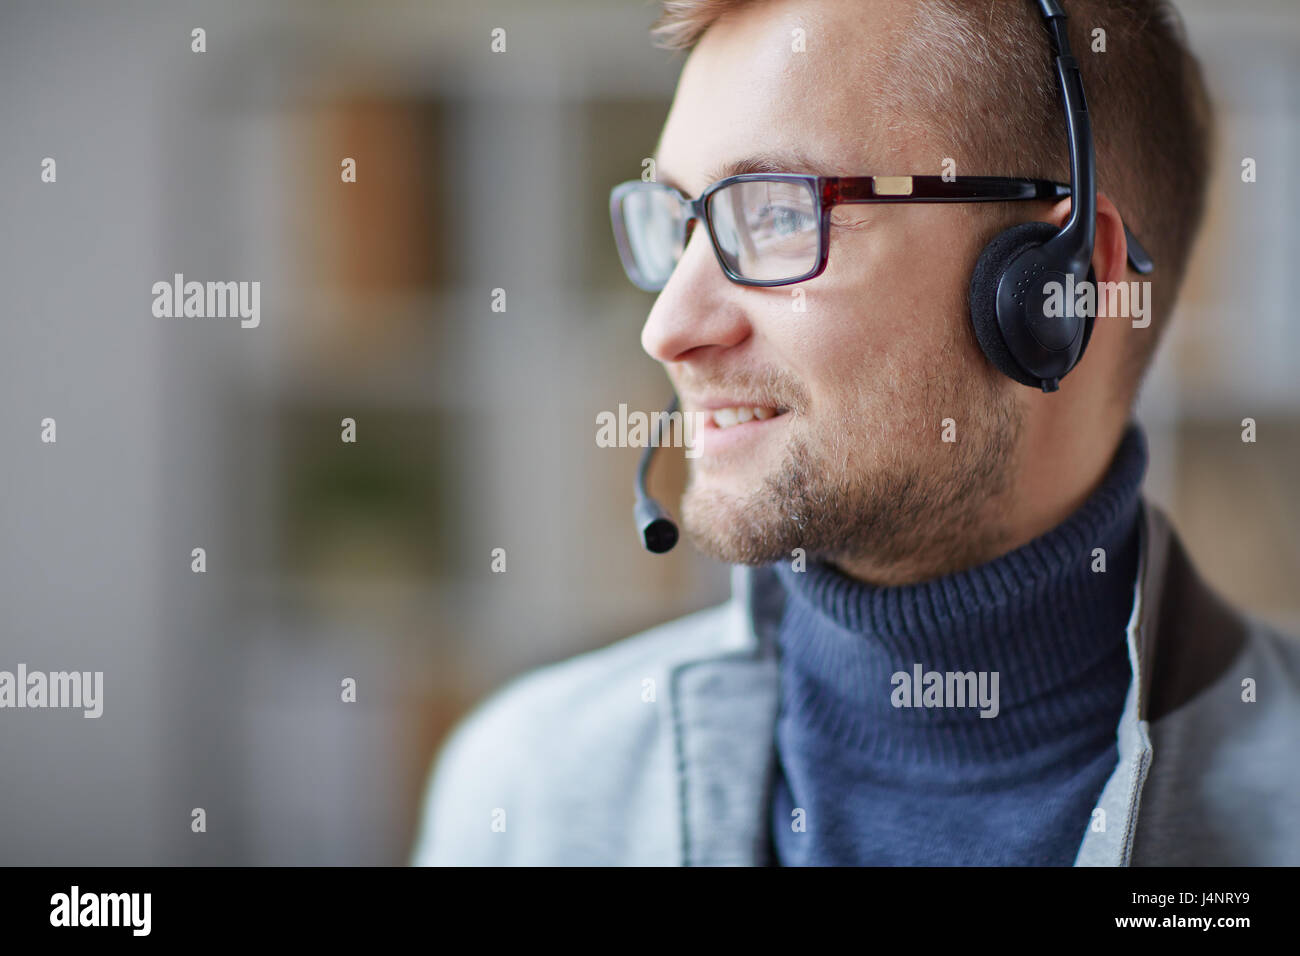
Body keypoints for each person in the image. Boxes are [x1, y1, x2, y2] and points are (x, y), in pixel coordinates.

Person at [412, 0, 1300, 865]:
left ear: (1060, 288)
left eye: (779, 214)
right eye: (681, 220)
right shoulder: (524, 794)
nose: (667, 328)